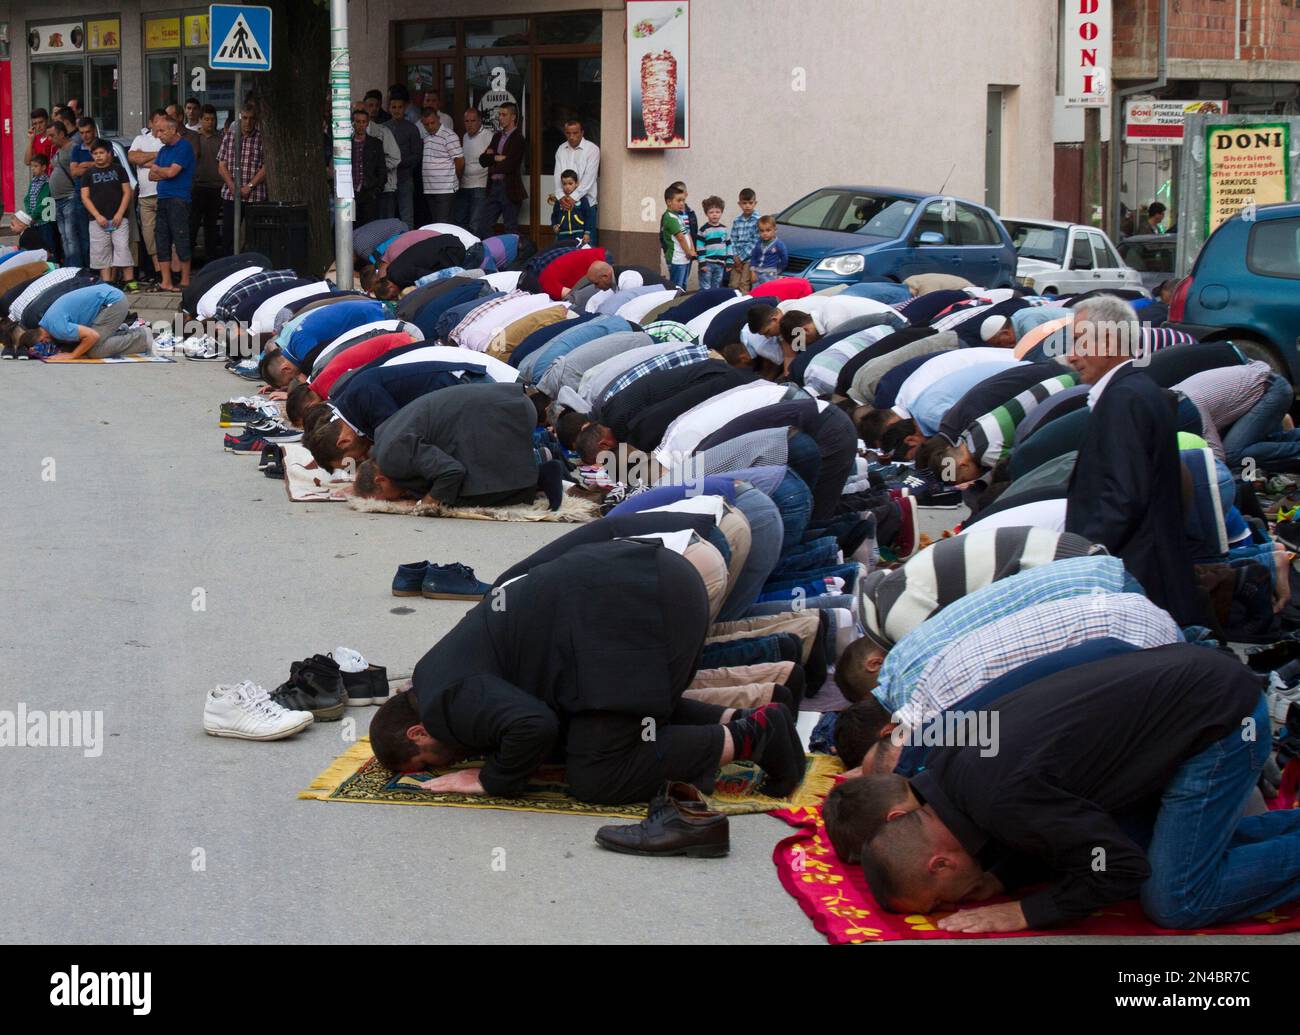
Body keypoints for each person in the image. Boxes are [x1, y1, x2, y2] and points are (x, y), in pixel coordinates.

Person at [856, 644, 1300, 932]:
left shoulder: (1003, 799)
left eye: (938, 902)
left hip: (1223, 723)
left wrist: (1025, 912)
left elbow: (1117, 866)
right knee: (1175, 854)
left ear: (940, 865)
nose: (950, 908)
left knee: (1176, 898)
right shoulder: (945, 766)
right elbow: (1047, 827)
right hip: (1198, 685)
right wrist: (1000, 877)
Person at [367, 538, 805, 806]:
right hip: (655, 585)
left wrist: (489, 779)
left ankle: (759, 736)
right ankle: (736, 722)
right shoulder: (434, 677)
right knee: (618, 725)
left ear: (418, 733)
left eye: (427, 764)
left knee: (598, 774)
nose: (446, 766)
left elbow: (533, 726)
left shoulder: (449, 703)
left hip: (638, 603)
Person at [1063, 295, 1203, 626]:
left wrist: (1083, 557)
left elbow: (1122, 497)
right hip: (1149, 568)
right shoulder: (1137, 389)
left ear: (1109, 340)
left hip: (1137, 575)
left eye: (1080, 342)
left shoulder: (1124, 398)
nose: (1071, 356)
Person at [351, 382, 564, 510]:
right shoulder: (382, 445)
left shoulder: (393, 456)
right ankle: (540, 457)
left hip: (507, 410)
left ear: (380, 479)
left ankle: (540, 476)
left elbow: (451, 472)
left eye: (388, 499)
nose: (395, 500)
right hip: (505, 404)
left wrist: (426, 505)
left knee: (463, 496)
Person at [20, 282, 150, 360]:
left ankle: (143, 337)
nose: (49, 347)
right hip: (107, 299)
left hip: (113, 302)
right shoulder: (46, 323)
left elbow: (92, 336)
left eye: (45, 344)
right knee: (84, 346)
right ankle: (125, 333)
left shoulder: (57, 328)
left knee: (95, 351)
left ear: (42, 338)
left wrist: (72, 355)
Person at [80, 139, 135, 287]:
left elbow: (127, 192)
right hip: (97, 220)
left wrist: (119, 213)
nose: (98, 156)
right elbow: (85, 196)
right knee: (101, 251)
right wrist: (97, 216)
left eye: (101, 153)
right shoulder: (88, 174)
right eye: (95, 153)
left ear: (109, 154)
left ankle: (129, 280)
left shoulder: (119, 170)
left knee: (122, 247)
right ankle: (106, 282)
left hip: (119, 218)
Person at [149, 117, 195, 292]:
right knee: (162, 239)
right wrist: (163, 172)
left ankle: (184, 281)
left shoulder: (184, 147)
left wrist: (159, 170)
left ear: (173, 130)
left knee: (181, 237)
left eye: (162, 131)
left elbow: (171, 172)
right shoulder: (163, 150)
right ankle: (166, 281)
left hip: (179, 199)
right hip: (162, 198)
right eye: (157, 131)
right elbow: (151, 176)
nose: (158, 135)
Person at [218, 104, 268, 257]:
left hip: (255, 196)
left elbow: (266, 167)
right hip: (231, 194)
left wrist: (250, 186)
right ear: (240, 118)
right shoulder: (230, 137)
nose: (248, 122)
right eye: (245, 118)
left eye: (252, 119)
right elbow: (221, 165)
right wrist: (232, 186)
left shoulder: (261, 138)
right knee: (228, 235)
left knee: (255, 237)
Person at [129, 110, 168, 282]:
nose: (160, 126)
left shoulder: (167, 140)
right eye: (157, 122)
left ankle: (168, 273)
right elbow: (132, 158)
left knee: (166, 234)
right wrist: (156, 156)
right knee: (149, 235)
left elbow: (166, 163)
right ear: (151, 122)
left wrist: (143, 159)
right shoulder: (140, 139)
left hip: (163, 194)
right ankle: (158, 272)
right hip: (144, 197)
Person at [479, 102, 525, 236]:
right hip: (493, 186)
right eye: (499, 114)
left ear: (513, 117)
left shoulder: (518, 138)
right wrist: (496, 158)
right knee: (483, 225)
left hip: (509, 187)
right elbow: (482, 160)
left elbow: (510, 165)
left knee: (510, 227)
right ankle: (494, 252)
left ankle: (511, 256)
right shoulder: (497, 136)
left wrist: (492, 158)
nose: (500, 118)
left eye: (504, 115)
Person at [553, 118, 600, 245]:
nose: (572, 136)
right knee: (564, 247)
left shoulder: (592, 149)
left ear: (582, 132)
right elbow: (558, 175)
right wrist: (562, 197)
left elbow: (589, 179)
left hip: (586, 204)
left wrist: (571, 198)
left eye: (575, 133)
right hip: (564, 205)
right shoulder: (561, 149)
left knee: (586, 247)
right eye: (568, 133)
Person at [189, 105, 224, 262]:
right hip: (198, 186)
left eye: (212, 119)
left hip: (216, 187)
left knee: (211, 225)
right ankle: (188, 257)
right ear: (201, 120)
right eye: (207, 119)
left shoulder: (221, 139)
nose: (210, 122)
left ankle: (210, 258)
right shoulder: (195, 138)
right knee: (193, 224)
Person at [47, 120, 83, 268]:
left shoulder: (73, 148)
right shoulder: (58, 150)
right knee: (64, 237)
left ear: (62, 133)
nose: (50, 139)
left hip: (69, 197)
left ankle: (75, 268)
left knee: (71, 236)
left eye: (52, 135)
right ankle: (69, 266)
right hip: (58, 199)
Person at [385, 86, 422, 228]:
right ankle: (387, 247)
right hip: (387, 181)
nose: (397, 110)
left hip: (405, 179)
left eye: (400, 107)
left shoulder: (412, 128)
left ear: (405, 108)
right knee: (387, 217)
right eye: (393, 107)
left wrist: (399, 163)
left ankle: (409, 246)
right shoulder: (383, 128)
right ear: (389, 108)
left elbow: (417, 155)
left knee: (407, 216)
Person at [420, 105, 464, 225]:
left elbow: (460, 161)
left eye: (432, 123)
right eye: (426, 124)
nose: (430, 127)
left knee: (443, 224)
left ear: (438, 119)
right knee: (436, 223)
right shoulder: (426, 136)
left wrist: (455, 179)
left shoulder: (449, 135)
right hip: (430, 188)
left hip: (445, 188)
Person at [362, 93, 401, 220]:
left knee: (386, 223)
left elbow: (395, 158)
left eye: (376, 106)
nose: (373, 109)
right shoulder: (349, 133)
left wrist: (378, 169)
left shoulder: (383, 131)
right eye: (370, 106)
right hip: (360, 189)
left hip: (384, 187)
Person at [455, 107, 492, 237]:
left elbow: (491, 160)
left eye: (473, 120)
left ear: (480, 121)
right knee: (460, 220)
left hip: (480, 186)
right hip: (464, 184)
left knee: (475, 223)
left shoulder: (488, 136)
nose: (469, 124)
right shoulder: (465, 136)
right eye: (466, 121)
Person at [349, 108, 387, 227]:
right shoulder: (347, 144)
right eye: (358, 122)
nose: (360, 125)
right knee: (351, 226)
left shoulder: (375, 143)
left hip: (369, 191)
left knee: (369, 226)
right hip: (350, 192)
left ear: (367, 123)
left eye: (363, 122)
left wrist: (376, 190)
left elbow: (382, 169)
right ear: (353, 123)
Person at [660, 184, 696, 289]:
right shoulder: (670, 218)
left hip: (685, 258)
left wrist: (692, 249)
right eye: (679, 200)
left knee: (683, 286)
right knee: (676, 288)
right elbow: (680, 237)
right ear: (669, 202)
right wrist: (689, 252)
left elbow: (687, 233)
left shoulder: (678, 216)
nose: (682, 203)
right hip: (677, 260)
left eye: (683, 200)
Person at [696, 196, 731, 291]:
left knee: (716, 287)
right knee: (705, 287)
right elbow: (700, 247)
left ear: (721, 212)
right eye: (711, 212)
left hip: (720, 264)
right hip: (707, 263)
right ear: (706, 213)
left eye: (717, 212)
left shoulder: (724, 230)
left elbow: (729, 246)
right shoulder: (703, 230)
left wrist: (729, 262)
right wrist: (702, 263)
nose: (714, 215)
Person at [729, 188, 760, 291]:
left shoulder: (758, 220)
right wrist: (735, 257)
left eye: (750, 203)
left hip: (749, 259)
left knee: (744, 283)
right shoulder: (737, 221)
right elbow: (733, 239)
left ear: (755, 203)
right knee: (733, 284)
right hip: (737, 258)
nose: (747, 206)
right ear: (739, 204)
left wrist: (741, 258)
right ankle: (731, 304)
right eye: (744, 203)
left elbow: (755, 242)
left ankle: (743, 304)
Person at [549, 170, 591, 245]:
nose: (567, 187)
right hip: (562, 235)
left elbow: (587, 216)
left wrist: (586, 233)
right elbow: (554, 215)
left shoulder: (582, 200)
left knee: (577, 255)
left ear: (576, 184)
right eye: (564, 184)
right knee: (564, 254)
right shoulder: (559, 201)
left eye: (570, 183)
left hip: (579, 234)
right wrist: (554, 226)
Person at [750, 215, 788, 286]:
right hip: (757, 273)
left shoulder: (779, 244)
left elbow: (784, 259)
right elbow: (754, 257)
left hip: (770, 274)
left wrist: (778, 270)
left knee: (767, 293)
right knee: (756, 292)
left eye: (768, 230)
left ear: (775, 230)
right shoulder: (758, 243)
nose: (765, 233)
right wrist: (752, 271)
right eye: (762, 231)